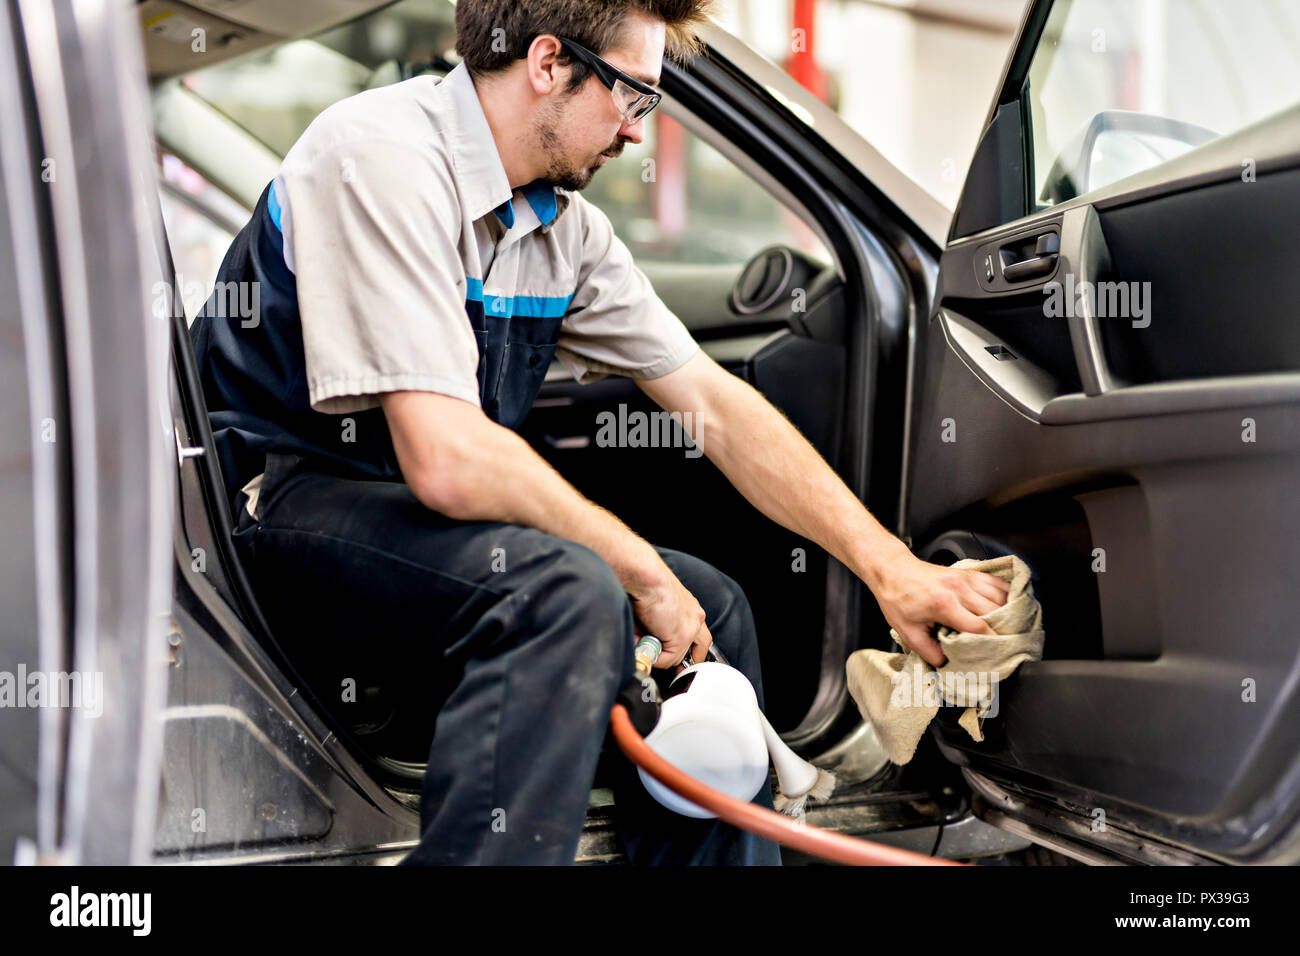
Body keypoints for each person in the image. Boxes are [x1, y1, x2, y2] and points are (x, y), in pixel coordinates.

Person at [190, 0, 1009, 865]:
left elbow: (714, 406)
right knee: (568, 593)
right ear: (548, 62)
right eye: (633, 96)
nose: (636, 131)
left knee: (712, 615)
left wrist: (891, 570)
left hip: (415, 536)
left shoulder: (562, 232)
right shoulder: (382, 155)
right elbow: (447, 459)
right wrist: (637, 569)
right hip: (268, 509)